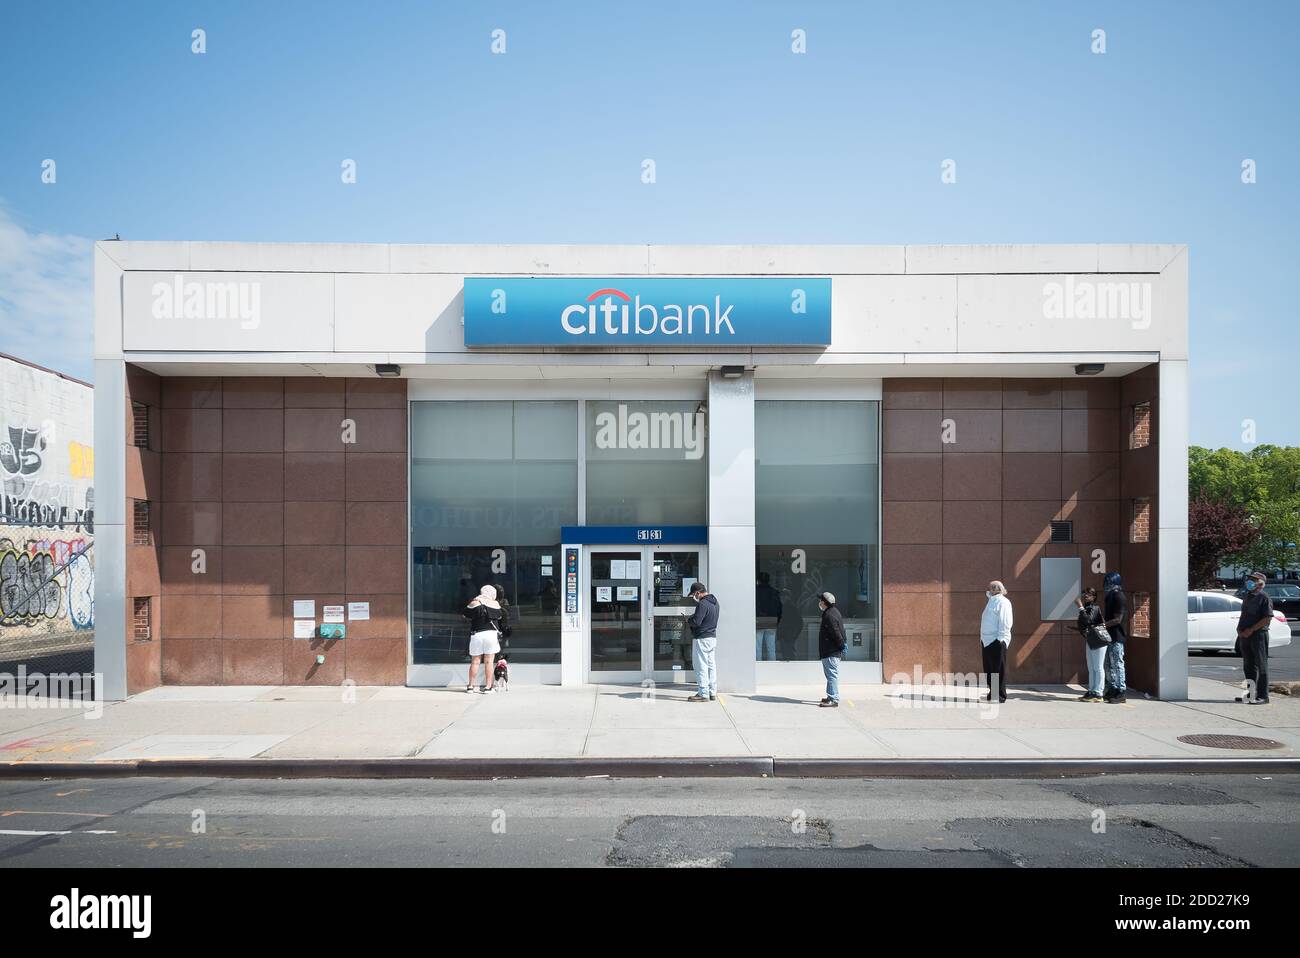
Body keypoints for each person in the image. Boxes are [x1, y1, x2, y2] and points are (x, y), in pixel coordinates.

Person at [1236, 571, 1274, 705]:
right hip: (1244, 635)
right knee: (1248, 666)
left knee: (1261, 666)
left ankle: (1263, 696)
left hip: (1258, 636)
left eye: (1254, 580)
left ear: (1261, 584)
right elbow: (1244, 615)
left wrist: (1251, 630)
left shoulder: (1264, 597)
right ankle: (1250, 694)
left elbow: (1267, 618)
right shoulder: (1247, 596)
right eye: (1250, 579)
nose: (1250, 582)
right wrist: (1239, 629)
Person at [683, 582, 719, 702]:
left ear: (698, 592)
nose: (694, 597)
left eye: (694, 594)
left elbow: (697, 621)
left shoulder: (702, 603)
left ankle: (703, 693)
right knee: (711, 666)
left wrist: (688, 621)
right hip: (712, 637)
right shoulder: (715, 602)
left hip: (702, 638)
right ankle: (712, 691)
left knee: (701, 666)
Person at [462, 585, 502, 693]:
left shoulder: (474, 603)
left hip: (477, 634)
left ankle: (470, 686)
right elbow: (499, 616)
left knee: (475, 661)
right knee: (489, 662)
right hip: (491, 635)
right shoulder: (495, 604)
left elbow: (465, 615)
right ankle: (488, 687)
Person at [980, 580, 1013, 703]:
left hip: (997, 640)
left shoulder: (1003, 602)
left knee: (998, 669)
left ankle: (999, 696)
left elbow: (1005, 622)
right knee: (989, 669)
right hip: (986, 640)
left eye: (992, 587)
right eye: (990, 587)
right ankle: (992, 694)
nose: (989, 589)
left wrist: (1001, 640)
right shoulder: (991, 601)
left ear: (997, 589)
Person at [1073, 587, 1109, 702]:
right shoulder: (1087, 608)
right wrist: (1075, 629)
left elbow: (1088, 620)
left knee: (1098, 667)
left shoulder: (1094, 607)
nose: (1085, 595)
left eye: (1088, 594)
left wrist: (1080, 607)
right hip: (1091, 640)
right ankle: (1092, 690)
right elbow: (1085, 624)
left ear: (1094, 597)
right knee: (1091, 668)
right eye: (1084, 593)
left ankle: (1098, 693)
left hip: (1099, 641)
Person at [816, 591, 847, 707]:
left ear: (825, 602)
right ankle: (830, 696)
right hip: (830, 650)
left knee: (831, 675)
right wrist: (843, 644)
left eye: (821, 601)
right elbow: (841, 631)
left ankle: (833, 699)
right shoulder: (833, 612)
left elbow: (836, 633)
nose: (819, 602)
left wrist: (842, 645)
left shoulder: (829, 615)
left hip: (831, 651)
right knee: (830, 675)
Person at [1102, 571, 1128, 703]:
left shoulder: (1119, 596)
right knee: (1108, 664)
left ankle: (1121, 690)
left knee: (1117, 663)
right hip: (1108, 636)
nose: (1107, 585)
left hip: (1117, 636)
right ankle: (1112, 688)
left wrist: (1103, 625)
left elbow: (1118, 619)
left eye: (1109, 583)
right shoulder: (1109, 597)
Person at [755, 572, 783, 661]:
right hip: (772, 620)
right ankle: (772, 666)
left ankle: (758, 665)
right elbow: (779, 607)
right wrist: (777, 620)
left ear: (758, 580)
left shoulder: (755, 591)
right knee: (771, 647)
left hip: (759, 620)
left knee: (758, 647)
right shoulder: (774, 592)